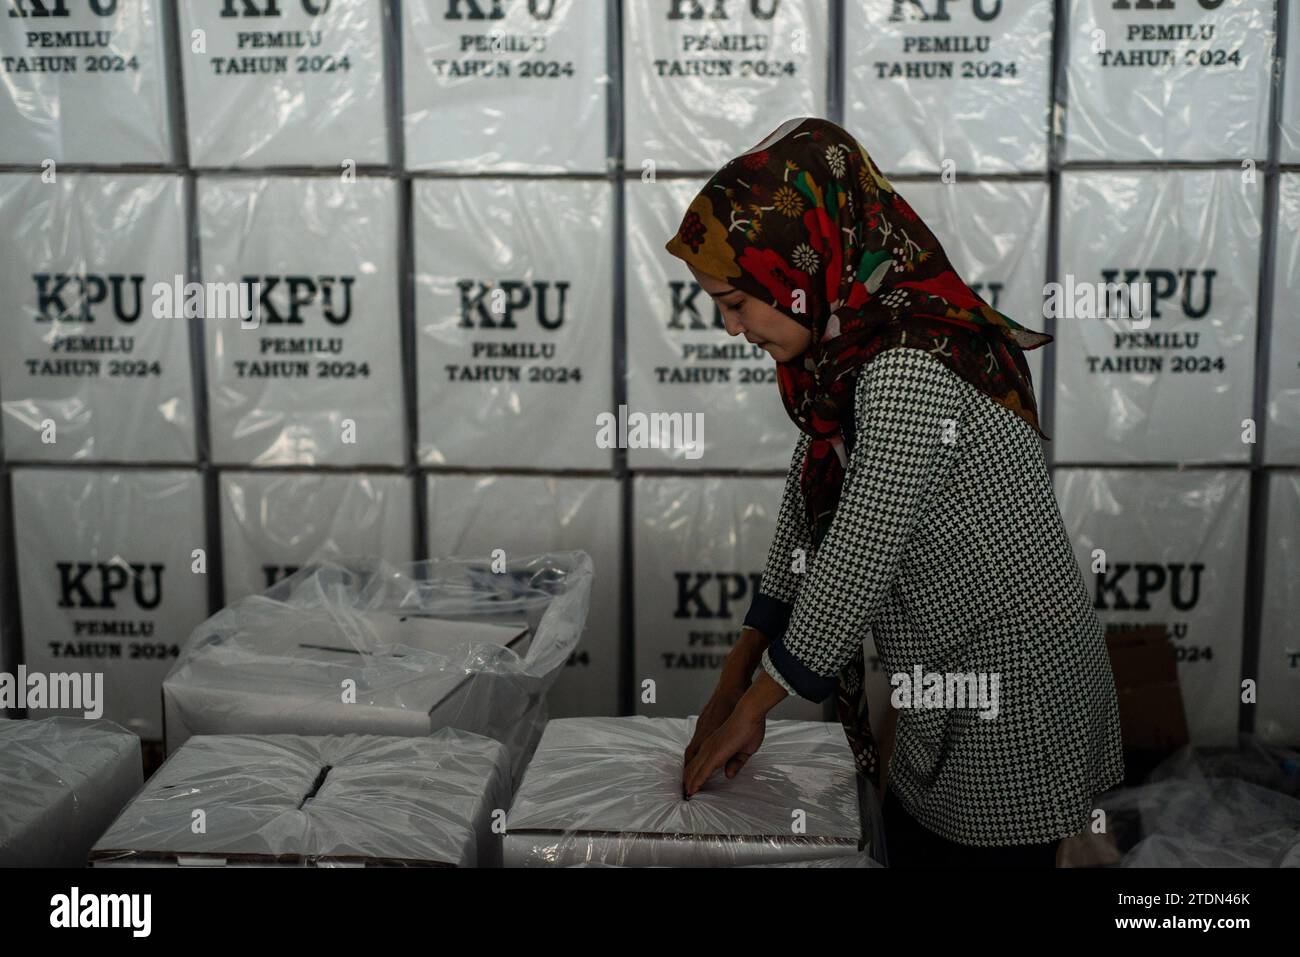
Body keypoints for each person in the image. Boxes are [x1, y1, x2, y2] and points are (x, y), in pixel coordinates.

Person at [663, 116, 1124, 868]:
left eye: (738, 301)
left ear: (794, 270)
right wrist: (737, 662)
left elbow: (861, 543)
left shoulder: (907, 359)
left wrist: (754, 709)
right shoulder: (846, 355)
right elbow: (805, 511)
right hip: (943, 675)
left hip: (1013, 688)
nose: (729, 326)